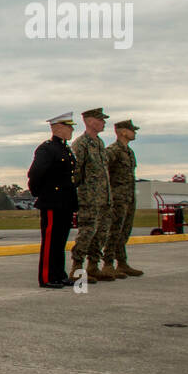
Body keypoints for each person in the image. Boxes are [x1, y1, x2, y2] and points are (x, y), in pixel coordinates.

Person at [28, 112, 79, 288]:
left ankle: (59, 274)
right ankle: (47, 277)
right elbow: (35, 173)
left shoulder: (66, 149)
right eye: (68, 126)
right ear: (57, 127)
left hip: (65, 202)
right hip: (52, 201)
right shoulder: (47, 149)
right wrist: (40, 193)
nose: (72, 130)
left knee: (60, 240)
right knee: (50, 241)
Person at [71, 108, 115, 281]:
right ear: (89, 121)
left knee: (101, 233)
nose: (104, 123)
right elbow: (75, 173)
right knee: (87, 232)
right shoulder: (81, 144)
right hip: (89, 198)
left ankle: (93, 265)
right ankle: (77, 267)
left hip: (104, 197)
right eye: (100, 120)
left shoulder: (99, 143)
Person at [103, 119, 144, 277]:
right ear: (123, 132)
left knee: (124, 230)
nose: (135, 133)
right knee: (114, 230)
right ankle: (108, 263)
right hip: (117, 197)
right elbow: (103, 171)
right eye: (132, 130)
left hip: (129, 197)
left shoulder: (129, 151)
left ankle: (122, 262)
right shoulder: (113, 150)